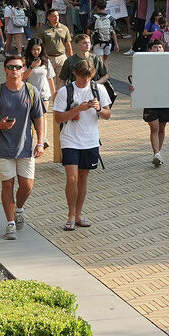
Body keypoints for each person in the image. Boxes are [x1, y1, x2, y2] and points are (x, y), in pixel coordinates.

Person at [0, 53, 46, 240]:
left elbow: (39, 119)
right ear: (5, 70)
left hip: (25, 147)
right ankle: (10, 223)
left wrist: (41, 142)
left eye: (18, 67)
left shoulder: (31, 91)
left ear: (23, 69)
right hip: (3, 147)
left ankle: (19, 209)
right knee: (8, 184)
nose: (14, 71)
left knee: (26, 186)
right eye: (10, 67)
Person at [53, 56, 113, 232]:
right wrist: (77, 109)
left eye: (88, 76)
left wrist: (99, 109)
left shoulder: (98, 89)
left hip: (90, 139)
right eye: (82, 76)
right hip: (70, 139)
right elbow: (58, 118)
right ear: (75, 73)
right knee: (72, 178)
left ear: (92, 74)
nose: (85, 80)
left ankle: (79, 215)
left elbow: (108, 114)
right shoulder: (65, 91)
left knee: (83, 176)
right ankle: (70, 216)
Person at [137, 33, 169, 167]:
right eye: (155, 47)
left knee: (162, 127)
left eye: (160, 47)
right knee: (154, 126)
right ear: (150, 50)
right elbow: (139, 80)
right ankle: (156, 153)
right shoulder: (143, 63)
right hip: (150, 99)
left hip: (166, 98)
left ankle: (158, 152)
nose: (158, 49)